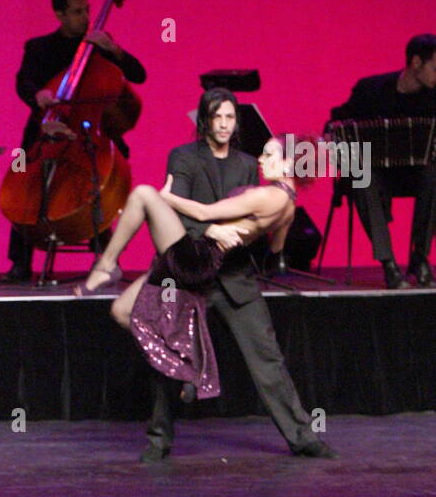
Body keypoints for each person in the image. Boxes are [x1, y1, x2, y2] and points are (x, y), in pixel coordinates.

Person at [92, 89, 336, 461]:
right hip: (191, 271)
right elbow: (183, 216)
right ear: (204, 120)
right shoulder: (184, 157)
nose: (224, 124)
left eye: (230, 118)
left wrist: (249, 237)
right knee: (168, 351)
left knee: (267, 358)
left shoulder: (246, 164)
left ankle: (303, 436)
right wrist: (209, 231)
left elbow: (256, 230)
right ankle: (159, 440)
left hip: (235, 278)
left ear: (237, 122)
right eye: (217, 117)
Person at [82, 135, 308, 408]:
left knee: (144, 194)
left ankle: (106, 266)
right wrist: (245, 233)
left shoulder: (267, 195)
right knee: (121, 310)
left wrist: (169, 198)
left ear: (290, 164)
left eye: (269, 155)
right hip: (202, 260)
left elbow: (203, 213)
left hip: (196, 256)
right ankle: (185, 366)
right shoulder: (290, 207)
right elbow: (275, 249)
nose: (260, 160)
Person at [6, 0, 146, 281]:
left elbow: (139, 74)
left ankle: (105, 253)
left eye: (87, 9)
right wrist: (39, 96)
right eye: (76, 12)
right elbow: (23, 82)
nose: (85, 17)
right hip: (47, 129)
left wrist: (115, 50)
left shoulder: (99, 45)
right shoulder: (39, 48)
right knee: (23, 175)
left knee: (98, 176)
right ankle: (19, 260)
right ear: (59, 14)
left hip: (88, 132)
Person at [330, 33, 436, 288]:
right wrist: (337, 141)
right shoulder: (370, 90)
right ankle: (389, 264)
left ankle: (419, 258)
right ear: (416, 63)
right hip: (377, 174)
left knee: (434, 178)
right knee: (362, 178)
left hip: (413, 174)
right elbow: (336, 122)